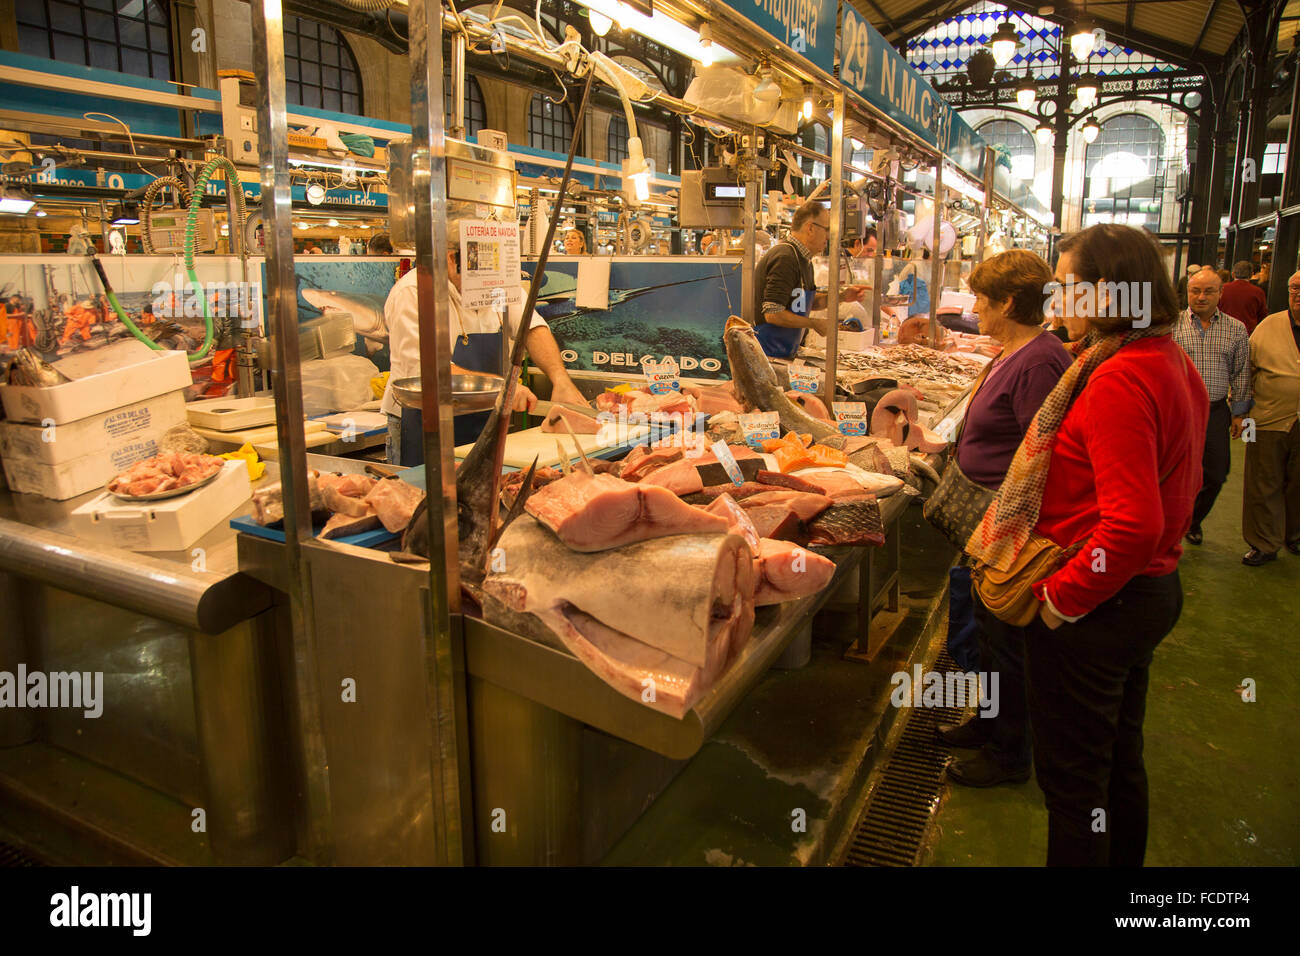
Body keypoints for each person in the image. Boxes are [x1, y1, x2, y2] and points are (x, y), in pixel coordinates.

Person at [977, 223, 1206, 866]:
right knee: (1116, 765)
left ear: (1108, 293)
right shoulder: (1167, 359)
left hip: (1103, 605)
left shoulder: (1118, 379)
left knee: (1076, 789)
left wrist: (1059, 600)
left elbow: (1134, 523)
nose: (1057, 302)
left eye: (1067, 286)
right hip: (1146, 595)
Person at [939, 250, 1072, 788]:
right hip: (990, 524)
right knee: (990, 637)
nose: (975, 309)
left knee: (1006, 644)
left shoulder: (1040, 361)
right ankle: (988, 724)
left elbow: (1043, 454)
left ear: (1008, 303)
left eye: (981, 299)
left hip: (1011, 530)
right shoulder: (1015, 351)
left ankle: (1009, 753)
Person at [381, 219, 588, 465]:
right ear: (451, 258)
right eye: (485, 264)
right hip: (424, 424)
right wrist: (503, 388)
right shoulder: (414, 292)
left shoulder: (494, 280)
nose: (494, 276)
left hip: (483, 420)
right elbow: (425, 371)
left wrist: (559, 377)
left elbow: (532, 327)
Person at [1172, 267, 1252, 545]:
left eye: (1208, 291)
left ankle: (1192, 520)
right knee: (1171, 472)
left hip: (1216, 410)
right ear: (1187, 293)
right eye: (1195, 290)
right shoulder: (1171, 325)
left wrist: (1240, 413)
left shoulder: (1236, 329)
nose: (1201, 296)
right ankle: (1168, 525)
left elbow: (1241, 372)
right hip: (1177, 412)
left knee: (1216, 473)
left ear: (1220, 293)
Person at [752, 200, 869, 358]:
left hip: (784, 352)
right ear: (810, 228)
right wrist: (813, 323)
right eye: (826, 229)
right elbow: (773, 313)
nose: (828, 236)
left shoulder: (804, 260)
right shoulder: (785, 258)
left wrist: (841, 297)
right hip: (767, 354)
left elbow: (802, 303)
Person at [1240, 270, 1300, 565]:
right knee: (1262, 482)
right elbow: (1246, 371)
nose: (1299, 295)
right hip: (1265, 419)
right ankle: (1264, 542)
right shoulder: (1269, 326)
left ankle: (1295, 535)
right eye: (1294, 289)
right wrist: (1241, 414)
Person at [1218, 260, 1267, 334]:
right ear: (1251, 275)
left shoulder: (1222, 289)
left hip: (1223, 330)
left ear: (1233, 274)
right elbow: (1262, 316)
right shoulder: (1258, 292)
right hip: (1248, 333)